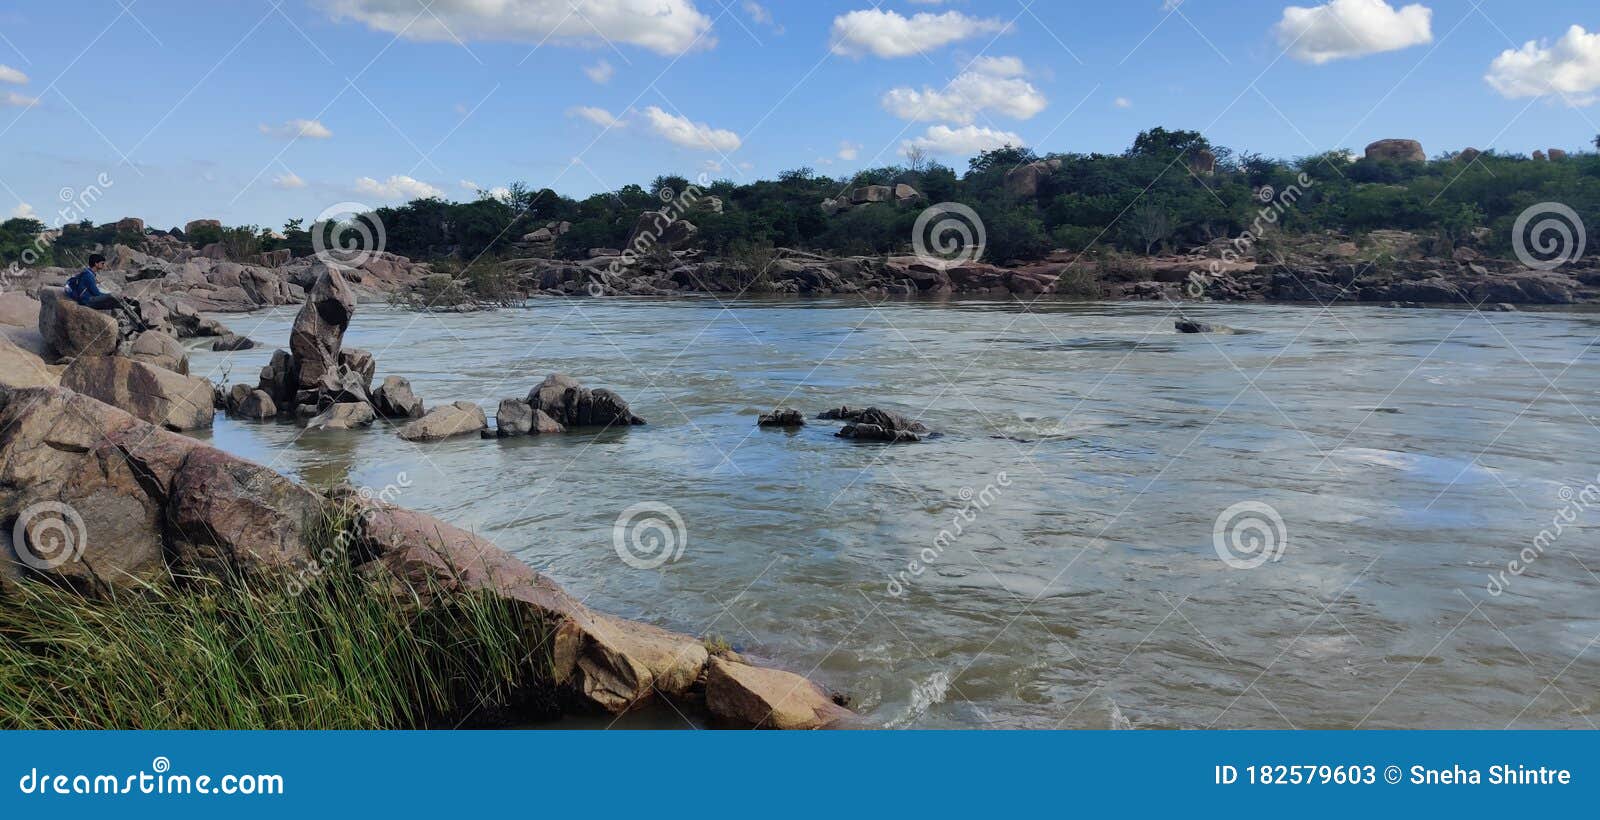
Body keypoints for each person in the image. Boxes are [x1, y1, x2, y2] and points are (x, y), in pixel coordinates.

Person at [65, 253, 147, 330]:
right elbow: (96, 293)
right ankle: (127, 302)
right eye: (102, 263)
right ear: (96, 264)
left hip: (91, 300)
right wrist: (110, 296)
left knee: (121, 304)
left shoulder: (90, 273)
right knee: (114, 296)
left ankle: (139, 324)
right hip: (88, 301)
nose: (104, 265)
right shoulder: (88, 275)